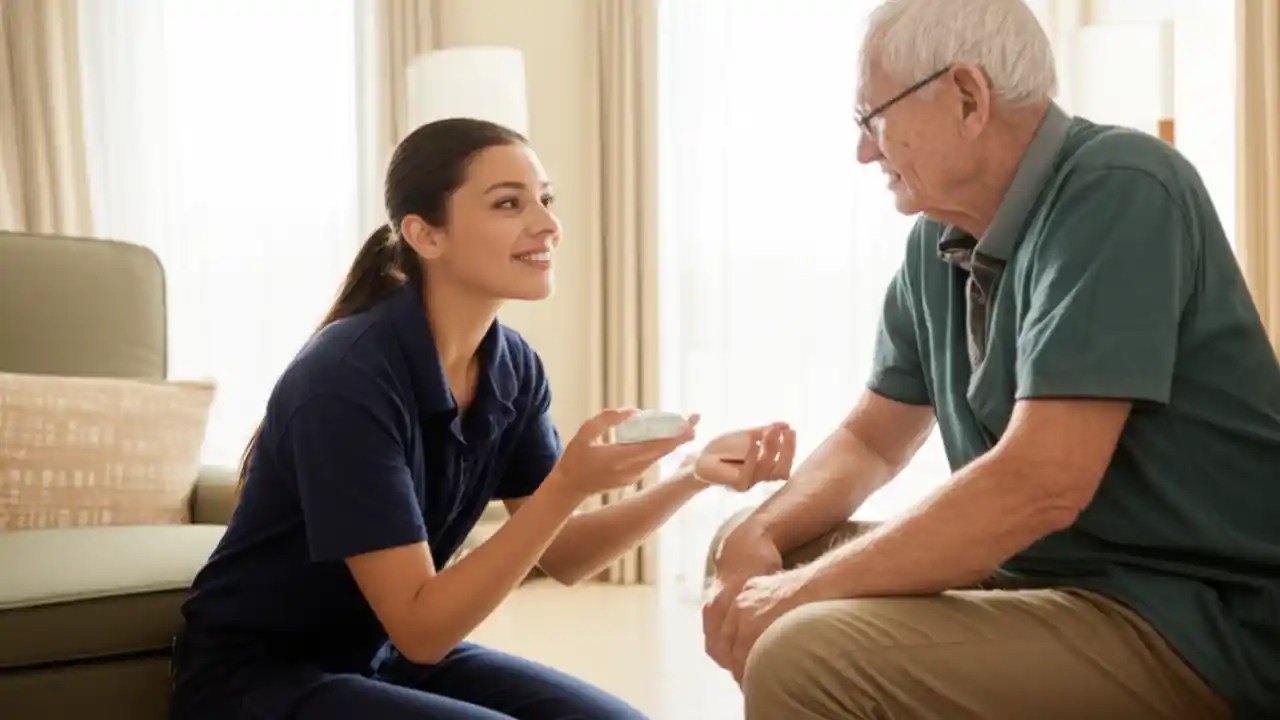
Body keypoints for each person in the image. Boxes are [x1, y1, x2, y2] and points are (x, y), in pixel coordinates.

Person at [702, 0, 1280, 718]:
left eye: (870, 120)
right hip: (1047, 584)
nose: (863, 152)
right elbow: (871, 440)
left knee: (803, 651)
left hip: (1186, 619)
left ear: (968, 98)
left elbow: (1044, 481)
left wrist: (796, 596)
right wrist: (757, 536)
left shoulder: (1121, 187)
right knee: (749, 559)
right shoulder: (938, 243)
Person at [170, 118, 797, 720]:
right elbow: (422, 629)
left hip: (380, 655)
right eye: (509, 204)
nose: (548, 225)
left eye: (545, 200)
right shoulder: (345, 378)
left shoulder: (512, 366)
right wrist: (570, 484)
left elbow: (567, 556)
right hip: (260, 680)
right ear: (426, 235)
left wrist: (693, 475)